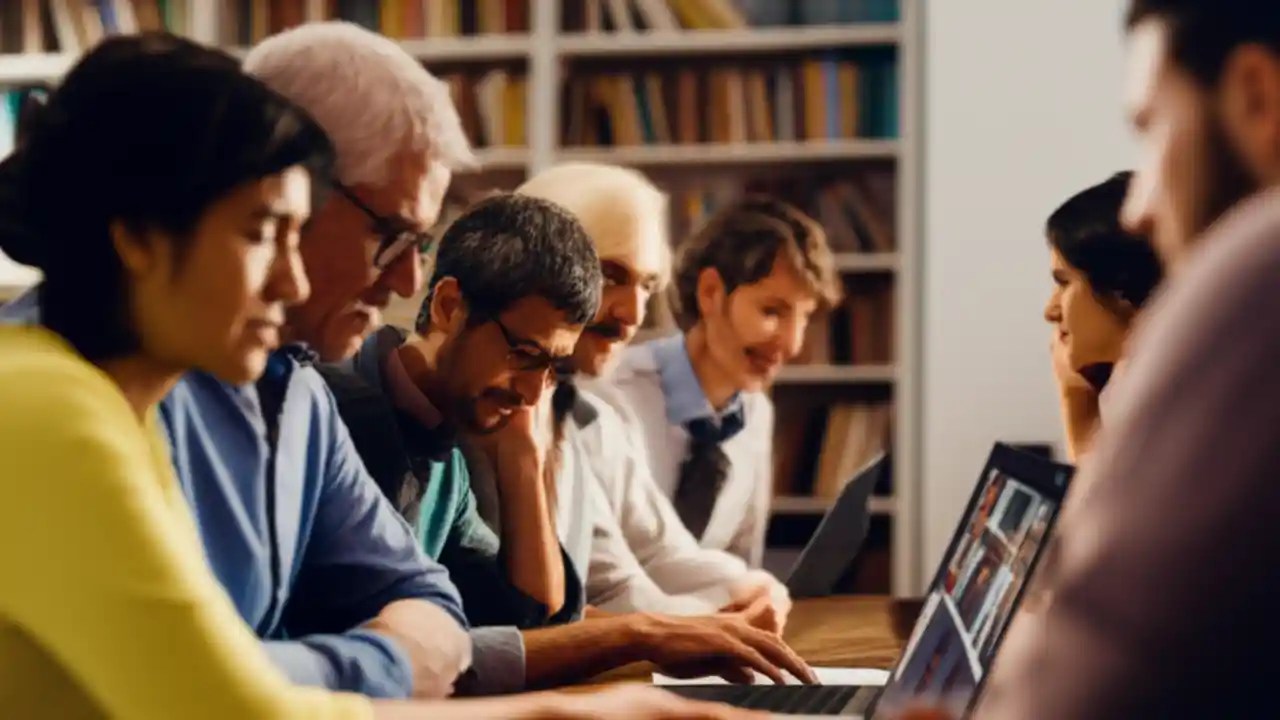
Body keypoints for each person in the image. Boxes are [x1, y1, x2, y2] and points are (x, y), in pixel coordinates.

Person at [321, 191, 817, 688]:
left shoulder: (443, 440)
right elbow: (395, 657)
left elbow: (533, 613)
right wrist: (640, 635)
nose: (535, 393)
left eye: (552, 367)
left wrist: (524, 458)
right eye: (525, 354)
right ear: (451, 307)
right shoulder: (346, 415)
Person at [968, 1, 1280, 717]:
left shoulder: (1260, 272)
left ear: (1257, 95)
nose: (1139, 210)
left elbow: (1078, 690)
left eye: (1152, 129)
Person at [514, 162, 791, 622]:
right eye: (612, 276)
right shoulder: (486, 417)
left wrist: (750, 587)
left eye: (647, 285)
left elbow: (659, 552)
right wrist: (717, 620)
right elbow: (613, 591)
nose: (634, 314)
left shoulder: (593, 420)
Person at [593, 197, 842, 567]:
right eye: (771, 311)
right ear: (710, 292)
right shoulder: (613, 397)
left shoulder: (756, 414)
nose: (792, 345)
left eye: (804, 318)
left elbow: (740, 563)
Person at [1043, 171, 1162, 459]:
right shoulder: (1124, 388)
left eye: (1064, 282)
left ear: (1121, 288)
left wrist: (1077, 406)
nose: (1050, 310)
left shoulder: (1172, 408)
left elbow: (1099, 503)